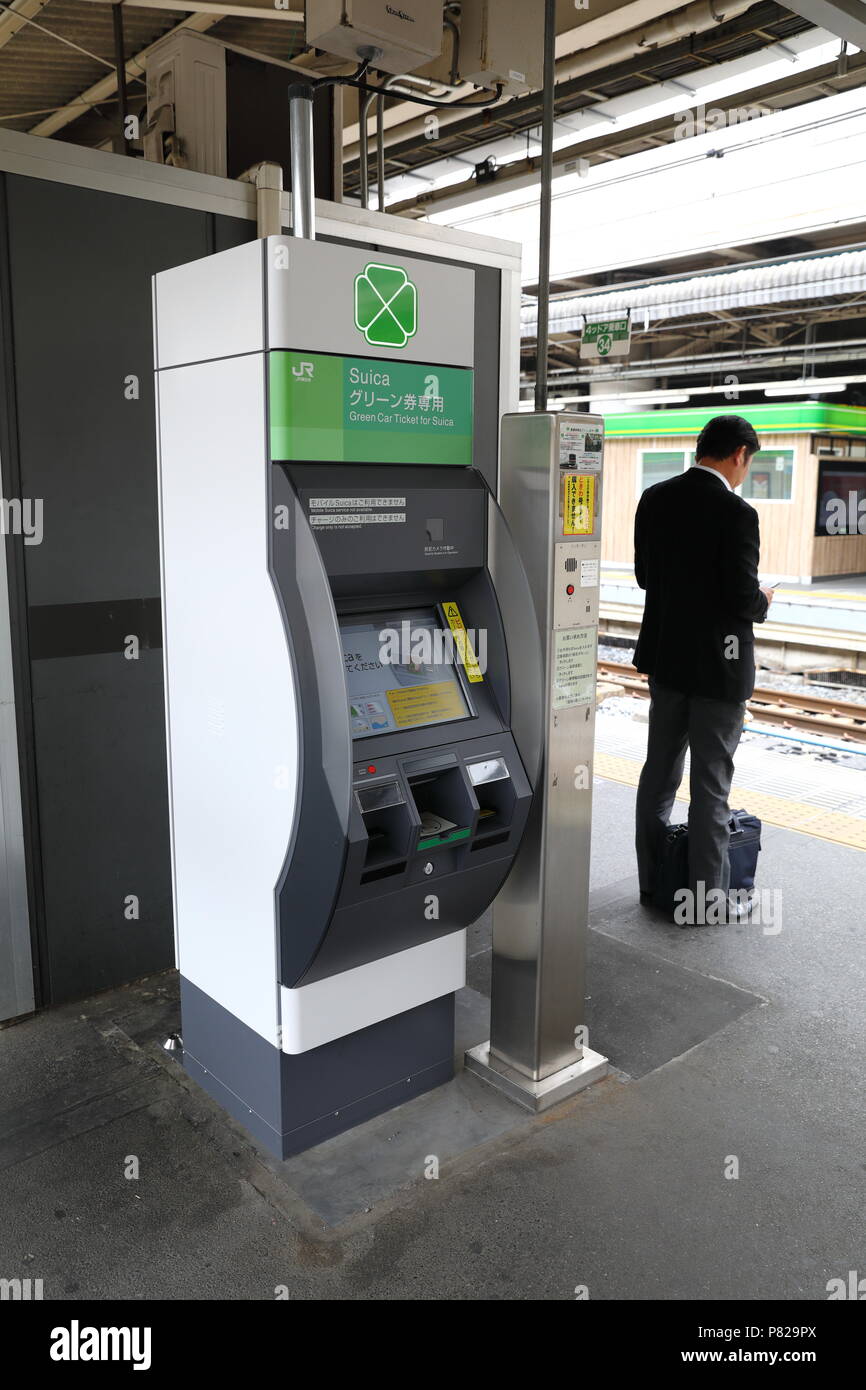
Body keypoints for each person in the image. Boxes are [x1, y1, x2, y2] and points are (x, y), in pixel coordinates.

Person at [633, 415, 774, 923]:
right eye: (749, 462)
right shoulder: (737, 513)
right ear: (738, 453)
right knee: (710, 786)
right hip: (719, 670)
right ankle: (705, 903)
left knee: (659, 776)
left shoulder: (654, 499)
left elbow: (646, 577)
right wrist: (764, 600)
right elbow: (741, 597)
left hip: (667, 662)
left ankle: (653, 885)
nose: (745, 472)